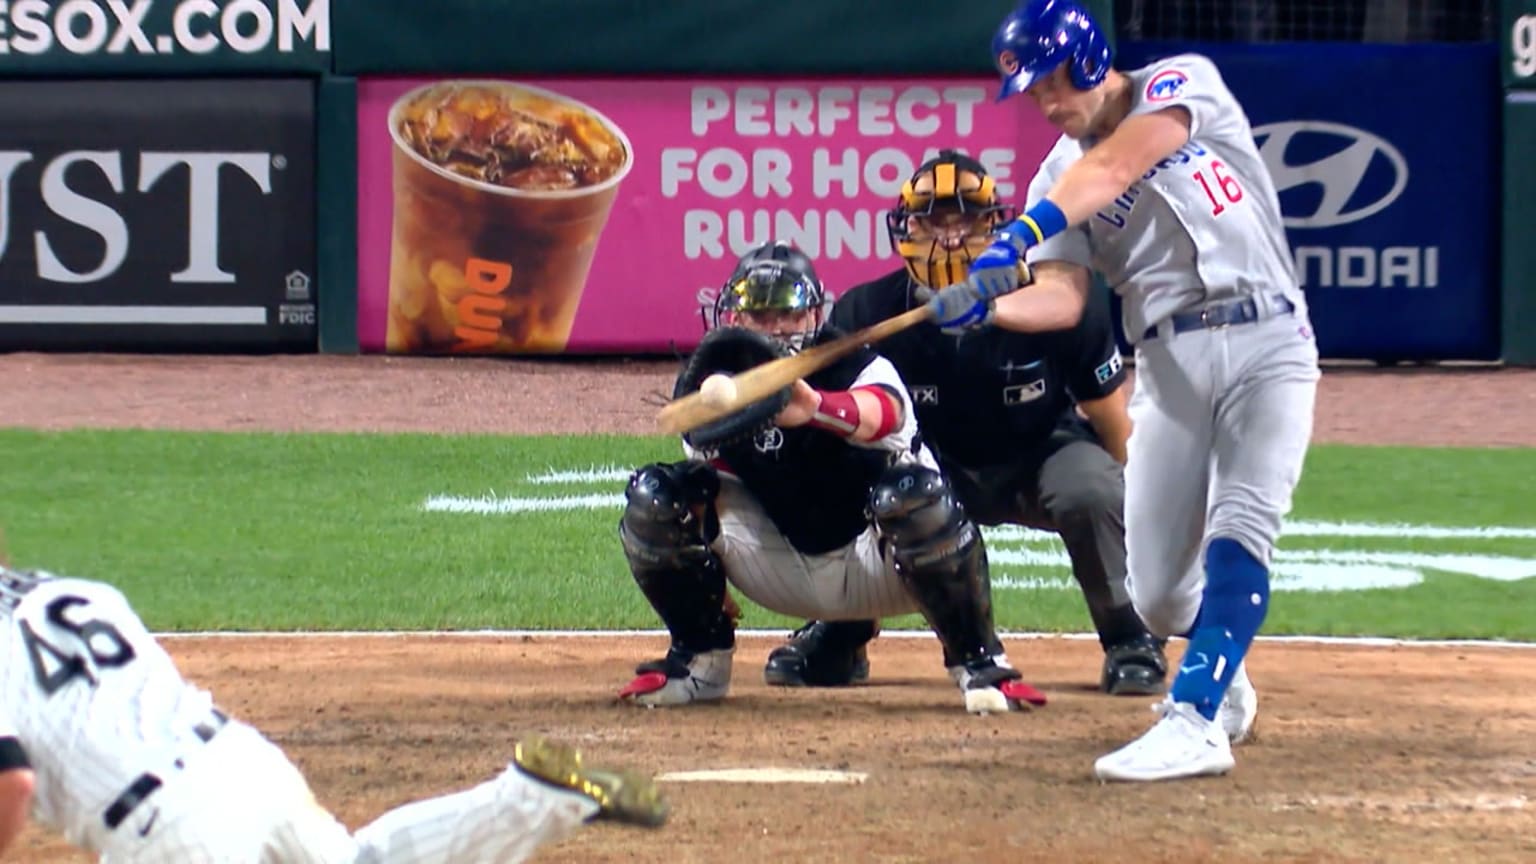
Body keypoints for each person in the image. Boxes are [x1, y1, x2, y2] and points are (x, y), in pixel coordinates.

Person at [927, 0, 1319, 781]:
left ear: (1090, 58)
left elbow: (1114, 167)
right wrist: (989, 305)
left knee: (1242, 523)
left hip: (1269, 343)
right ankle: (1224, 674)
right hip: (1170, 366)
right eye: (1030, 92)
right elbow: (1065, 299)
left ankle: (1195, 720)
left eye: (1050, 83)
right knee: (1162, 596)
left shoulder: (1180, 83)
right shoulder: (1053, 179)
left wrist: (1019, 235)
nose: (1044, 103)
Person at [770, 150, 1168, 698]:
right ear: (905, 227)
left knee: (1093, 486)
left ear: (993, 225)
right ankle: (843, 630)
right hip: (926, 470)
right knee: (850, 475)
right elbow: (840, 433)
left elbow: (1110, 418)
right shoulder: (867, 313)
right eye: (933, 219)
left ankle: (1130, 636)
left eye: (965, 219)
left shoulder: (1058, 301)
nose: (949, 237)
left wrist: (1137, 506)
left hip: (1039, 455)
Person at [616, 241, 1047, 715]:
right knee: (656, 496)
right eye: (757, 315)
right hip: (777, 565)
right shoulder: (714, 383)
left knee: (913, 496)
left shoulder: (858, 363)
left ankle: (979, 663)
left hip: (880, 565)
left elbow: (885, 415)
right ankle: (699, 662)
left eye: (786, 314)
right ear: (733, 319)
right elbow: (706, 474)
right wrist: (701, 583)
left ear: (814, 316)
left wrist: (815, 408)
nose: (773, 328)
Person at [0, 564, 667, 862]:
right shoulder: (71, 590)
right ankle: (530, 800)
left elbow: (14, 781)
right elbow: (95, 731)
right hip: (241, 763)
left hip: (168, 828)